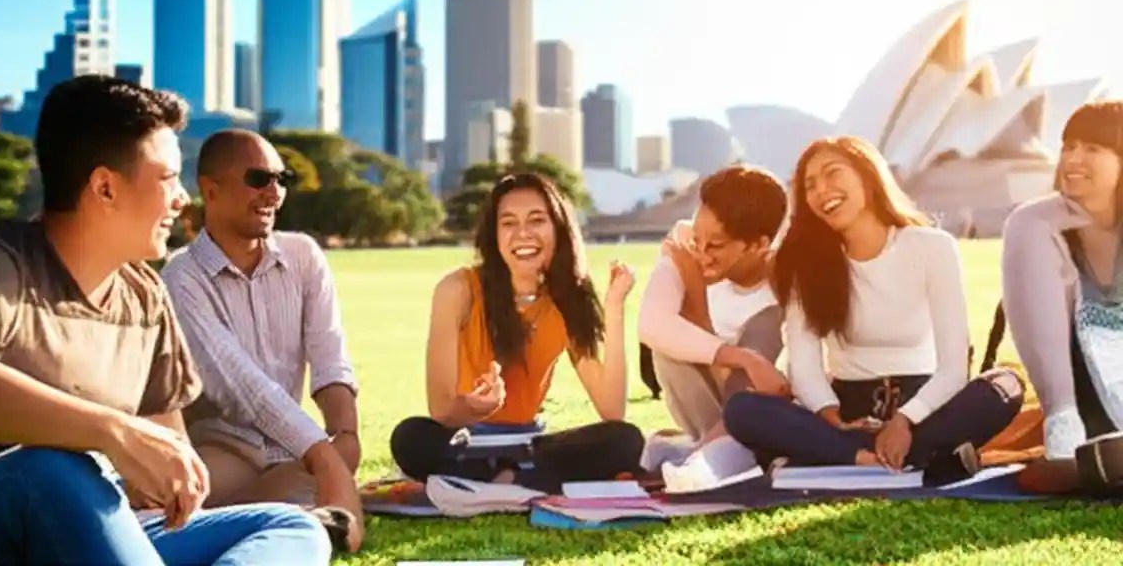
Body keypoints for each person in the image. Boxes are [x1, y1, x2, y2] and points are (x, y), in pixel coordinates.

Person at [0, 76, 331, 566]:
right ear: (104, 187)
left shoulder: (146, 298)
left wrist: (167, 481)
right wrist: (110, 431)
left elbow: (169, 465)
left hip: (80, 541)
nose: (182, 198)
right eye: (168, 178)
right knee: (53, 467)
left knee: (290, 525)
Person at [721, 135, 1024, 478]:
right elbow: (804, 367)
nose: (822, 190)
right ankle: (887, 459)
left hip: (924, 403)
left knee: (1007, 385)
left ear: (868, 175)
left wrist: (905, 420)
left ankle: (869, 455)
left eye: (833, 173)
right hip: (847, 409)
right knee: (742, 410)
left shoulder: (932, 247)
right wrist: (832, 416)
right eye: (810, 185)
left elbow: (954, 368)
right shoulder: (804, 263)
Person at [161, 129, 364, 550]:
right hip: (225, 447)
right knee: (181, 498)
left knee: (335, 462)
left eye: (281, 179)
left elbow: (330, 357)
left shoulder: (304, 255)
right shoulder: (181, 276)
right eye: (259, 179)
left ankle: (274, 516)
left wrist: (344, 437)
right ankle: (288, 517)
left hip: (296, 452)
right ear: (210, 190)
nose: (274, 193)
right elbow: (244, 388)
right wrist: (324, 457)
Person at [388, 172, 645, 492]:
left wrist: (615, 308)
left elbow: (611, 409)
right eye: (508, 223)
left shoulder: (568, 298)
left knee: (624, 439)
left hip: (529, 443)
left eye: (536, 220)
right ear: (494, 235)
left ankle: (506, 478)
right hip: (467, 440)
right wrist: (475, 407)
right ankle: (519, 480)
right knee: (412, 438)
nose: (523, 234)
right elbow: (441, 411)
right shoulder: (457, 289)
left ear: (559, 229)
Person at [636, 165, 790, 491]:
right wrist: (742, 358)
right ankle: (710, 452)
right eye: (698, 237)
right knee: (670, 343)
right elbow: (650, 325)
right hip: (710, 409)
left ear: (758, 244)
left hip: (767, 412)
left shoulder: (785, 276)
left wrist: (699, 310)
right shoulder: (684, 248)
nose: (702, 253)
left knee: (767, 322)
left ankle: (703, 455)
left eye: (716, 245)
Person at [1001, 101, 1123, 484]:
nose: (1073, 158)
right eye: (1068, 146)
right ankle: (1074, 456)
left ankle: (1093, 472)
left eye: (1092, 149)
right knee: (1027, 224)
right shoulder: (1035, 224)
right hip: (1083, 409)